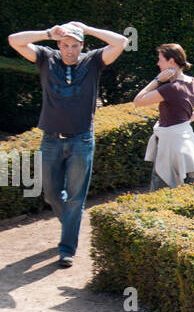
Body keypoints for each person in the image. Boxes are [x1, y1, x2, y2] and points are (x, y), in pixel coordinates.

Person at [6, 20, 128, 266]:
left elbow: (122, 42)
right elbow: (13, 40)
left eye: (75, 45)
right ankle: (71, 223)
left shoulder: (93, 61)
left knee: (75, 199)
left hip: (82, 140)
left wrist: (89, 29)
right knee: (50, 193)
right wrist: (48, 33)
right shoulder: (45, 57)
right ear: (58, 44)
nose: (70, 50)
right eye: (65, 45)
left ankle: (66, 249)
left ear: (82, 45)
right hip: (51, 139)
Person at [133, 42, 194, 191]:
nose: (158, 63)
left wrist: (157, 80)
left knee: (160, 194)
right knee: (189, 192)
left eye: (160, 60)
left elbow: (138, 101)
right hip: (188, 144)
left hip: (170, 147)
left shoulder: (170, 88)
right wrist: (189, 119)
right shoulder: (192, 82)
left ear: (171, 61)